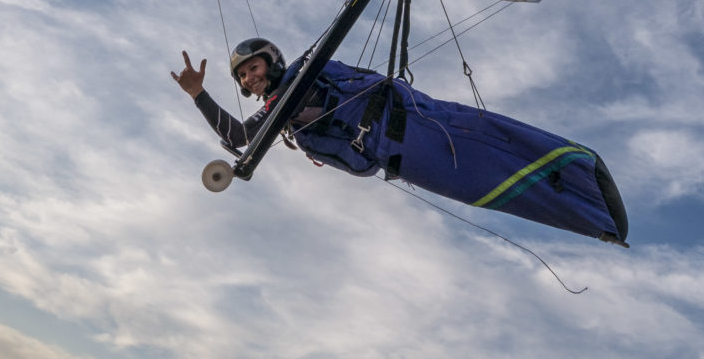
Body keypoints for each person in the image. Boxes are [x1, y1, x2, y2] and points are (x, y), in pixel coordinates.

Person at [173, 35, 629, 245]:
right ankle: (593, 219)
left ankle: (581, 173)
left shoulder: (299, 81)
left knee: (497, 144)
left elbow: (276, 110)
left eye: (252, 68)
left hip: (419, 126)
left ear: (270, 62)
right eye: (242, 78)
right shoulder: (277, 113)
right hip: (400, 158)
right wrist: (199, 95)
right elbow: (238, 138)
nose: (249, 79)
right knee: (478, 187)